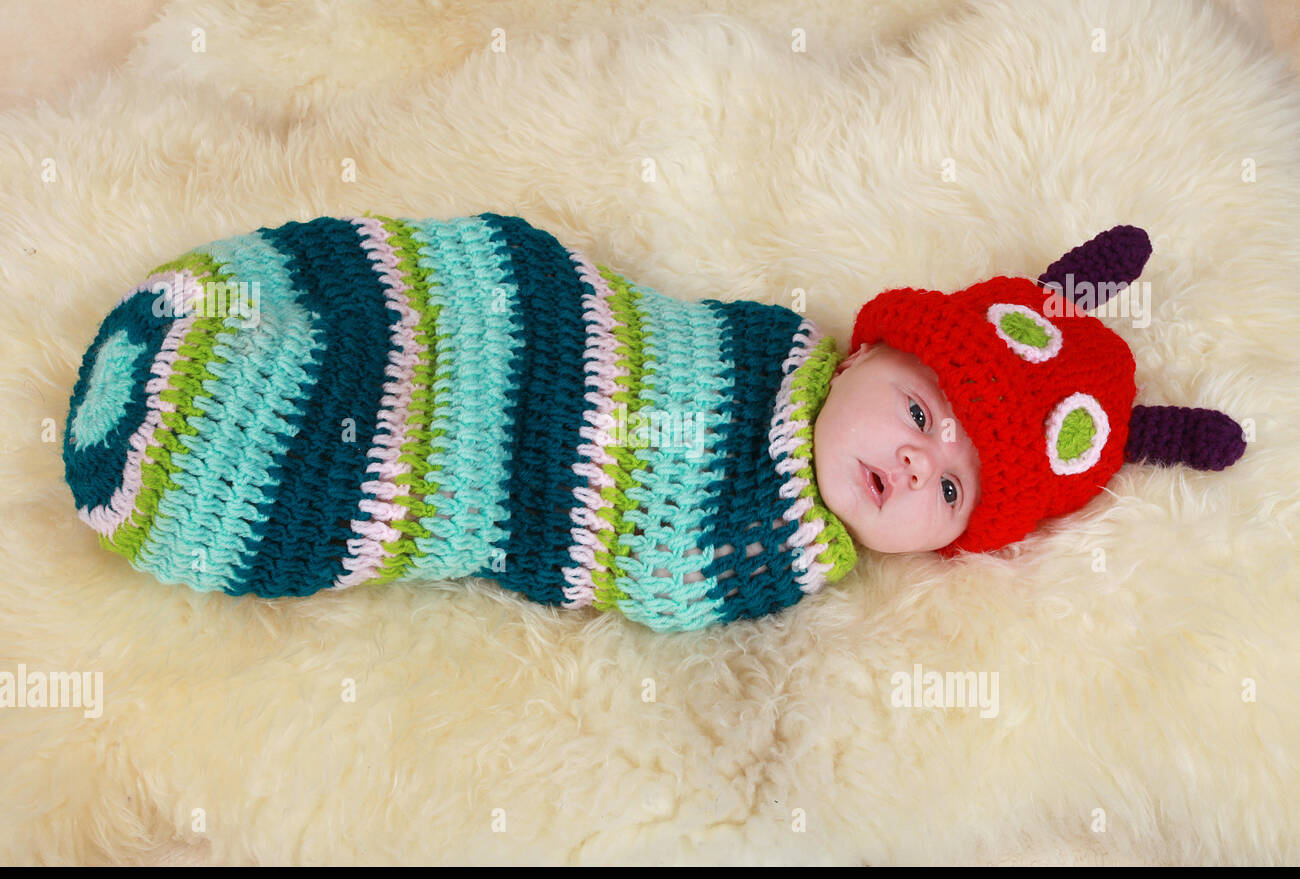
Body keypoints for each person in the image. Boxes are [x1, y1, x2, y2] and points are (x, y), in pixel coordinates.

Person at [62, 217, 1245, 631]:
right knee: (483, 301)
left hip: (505, 475)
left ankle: (253, 445)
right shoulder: (771, 346)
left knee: (410, 464)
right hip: (538, 330)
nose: (913, 459)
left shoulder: (791, 550)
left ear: (948, 541)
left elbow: (648, 567)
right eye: (925, 411)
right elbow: (621, 333)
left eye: (950, 489)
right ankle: (261, 343)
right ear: (869, 350)